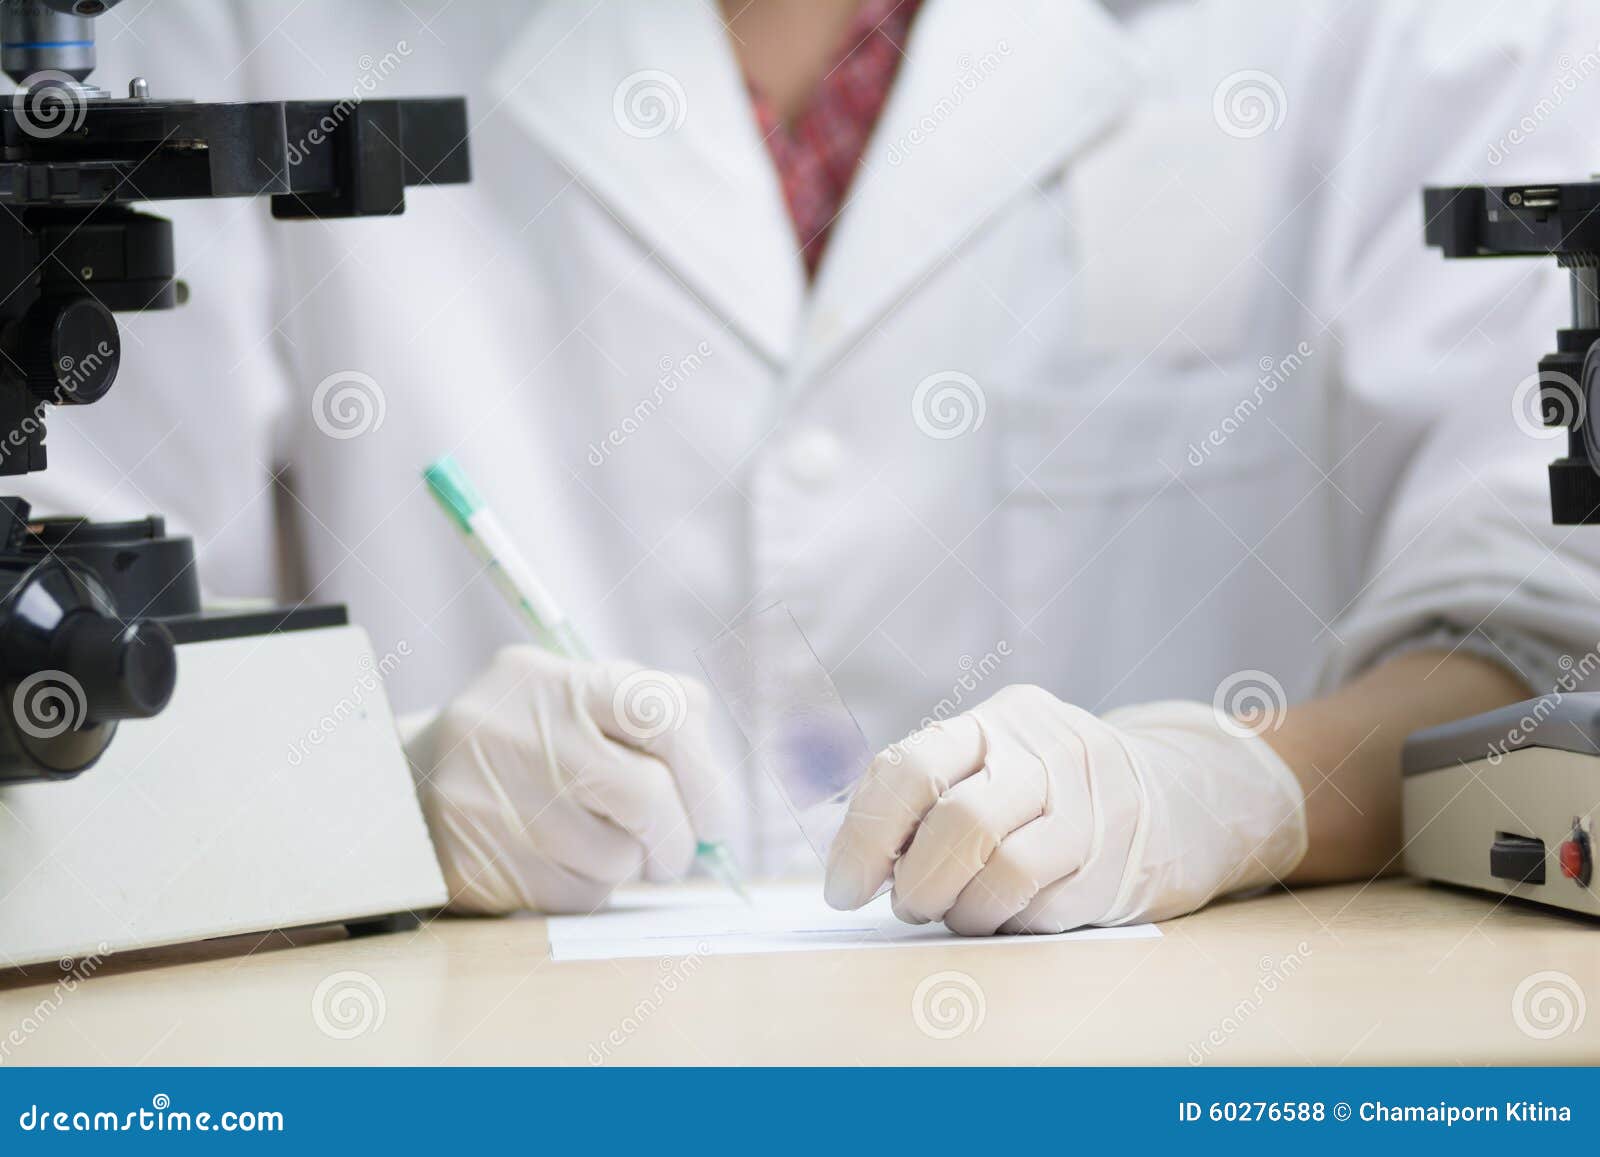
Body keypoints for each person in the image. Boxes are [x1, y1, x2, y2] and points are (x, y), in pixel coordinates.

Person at [31, 0, 1600, 931]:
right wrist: (381, 792)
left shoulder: (1423, 26)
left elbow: (1542, 621)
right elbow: (65, 637)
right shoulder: (211, 28)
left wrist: (1228, 791)